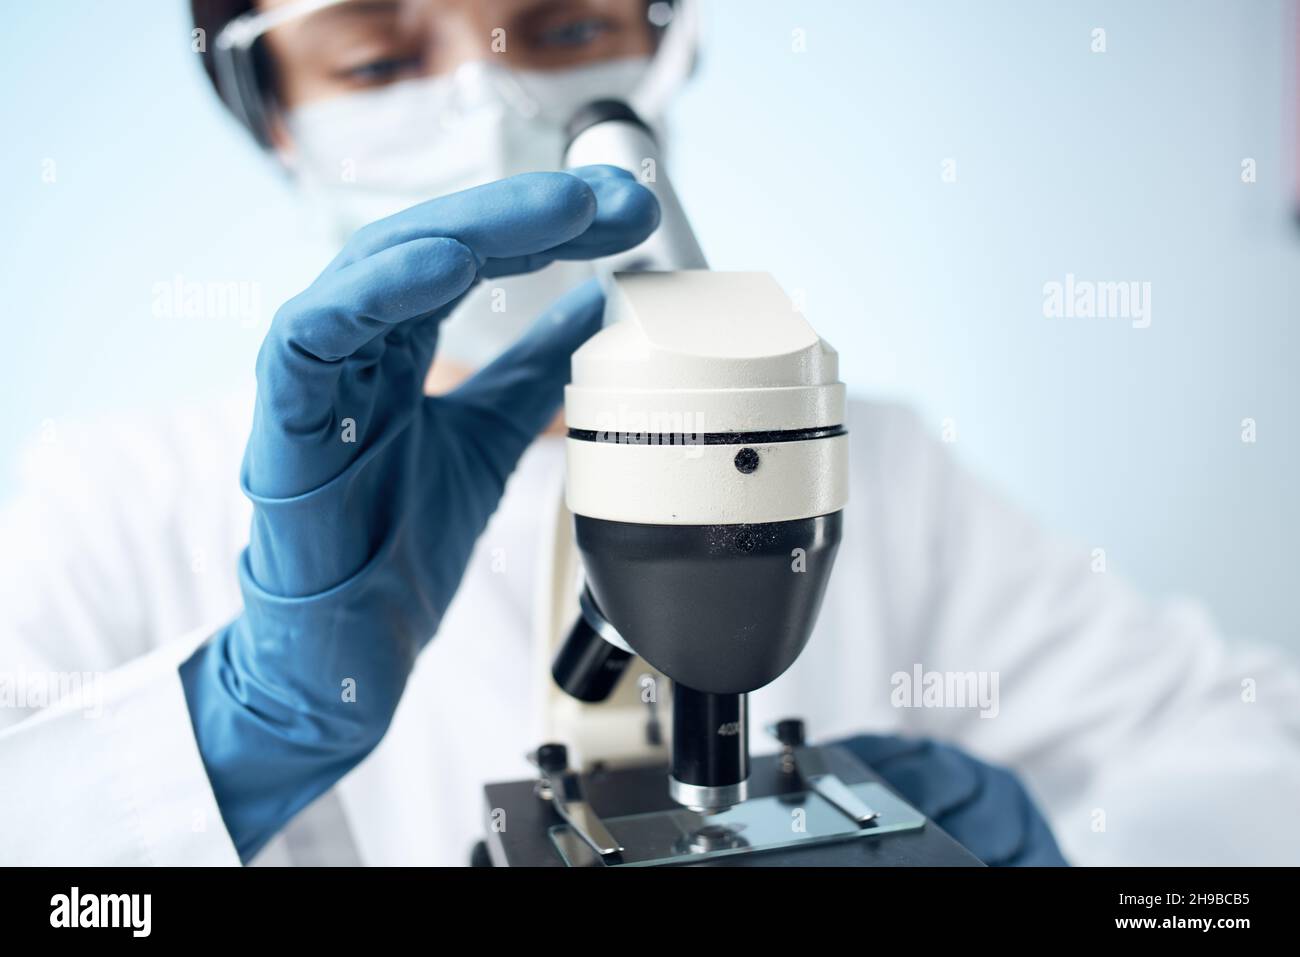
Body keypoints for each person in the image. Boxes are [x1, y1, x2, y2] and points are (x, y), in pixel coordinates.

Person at [1, 0, 1297, 867]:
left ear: (659, 45)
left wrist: (1069, 857)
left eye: (560, 22)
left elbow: (1248, 764)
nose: (490, 99)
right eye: (382, 59)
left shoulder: (875, 470)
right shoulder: (107, 507)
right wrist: (235, 739)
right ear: (271, 108)